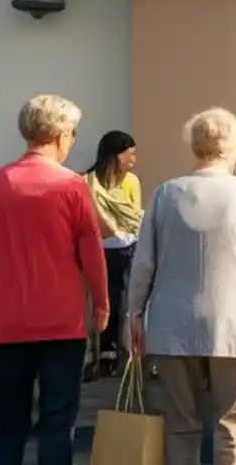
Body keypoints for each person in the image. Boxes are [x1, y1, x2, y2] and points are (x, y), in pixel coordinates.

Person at [0, 94, 108, 465]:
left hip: (6, 325)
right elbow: (92, 253)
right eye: (72, 133)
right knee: (57, 423)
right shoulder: (71, 186)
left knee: (9, 424)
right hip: (61, 325)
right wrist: (102, 306)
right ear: (60, 136)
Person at [126, 107, 236, 465]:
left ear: (194, 146)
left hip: (173, 321)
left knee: (180, 427)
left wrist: (134, 313)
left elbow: (143, 264)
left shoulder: (166, 194)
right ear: (233, 148)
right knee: (235, 428)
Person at [82, 130, 143, 379]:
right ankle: (100, 355)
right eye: (130, 155)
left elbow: (133, 217)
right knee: (103, 302)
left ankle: (121, 353)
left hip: (127, 249)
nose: (133, 160)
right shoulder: (87, 182)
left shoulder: (131, 182)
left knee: (124, 303)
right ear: (115, 156)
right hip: (99, 250)